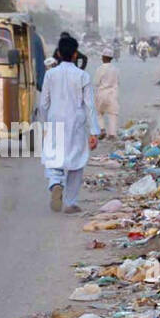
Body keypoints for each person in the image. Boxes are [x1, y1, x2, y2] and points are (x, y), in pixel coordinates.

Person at [37, 35, 99, 214]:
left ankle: (55, 183)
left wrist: (45, 122)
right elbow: (90, 106)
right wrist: (94, 131)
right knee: (76, 162)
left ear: (57, 53)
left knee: (53, 157)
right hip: (76, 122)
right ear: (75, 54)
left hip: (55, 120)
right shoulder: (83, 76)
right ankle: (71, 202)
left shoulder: (50, 74)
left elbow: (43, 103)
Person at [93, 49, 120, 139]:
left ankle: (102, 129)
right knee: (112, 114)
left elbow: (96, 82)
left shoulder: (100, 69)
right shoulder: (115, 69)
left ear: (103, 57)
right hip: (113, 94)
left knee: (98, 113)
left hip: (102, 93)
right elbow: (117, 82)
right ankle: (112, 134)